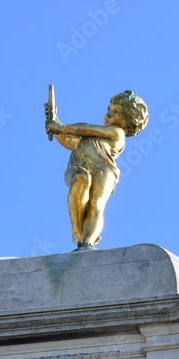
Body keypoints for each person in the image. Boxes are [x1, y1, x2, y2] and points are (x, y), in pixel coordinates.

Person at [46, 90, 149, 249]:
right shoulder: (89, 138)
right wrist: (54, 123)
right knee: (81, 179)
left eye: (116, 112)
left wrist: (60, 127)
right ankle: (77, 230)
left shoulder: (116, 132)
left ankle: (87, 240)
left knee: (96, 204)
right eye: (109, 109)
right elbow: (69, 141)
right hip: (79, 167)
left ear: (129, 121)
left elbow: (85, 128)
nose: (109, 114)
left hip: (105, 171)